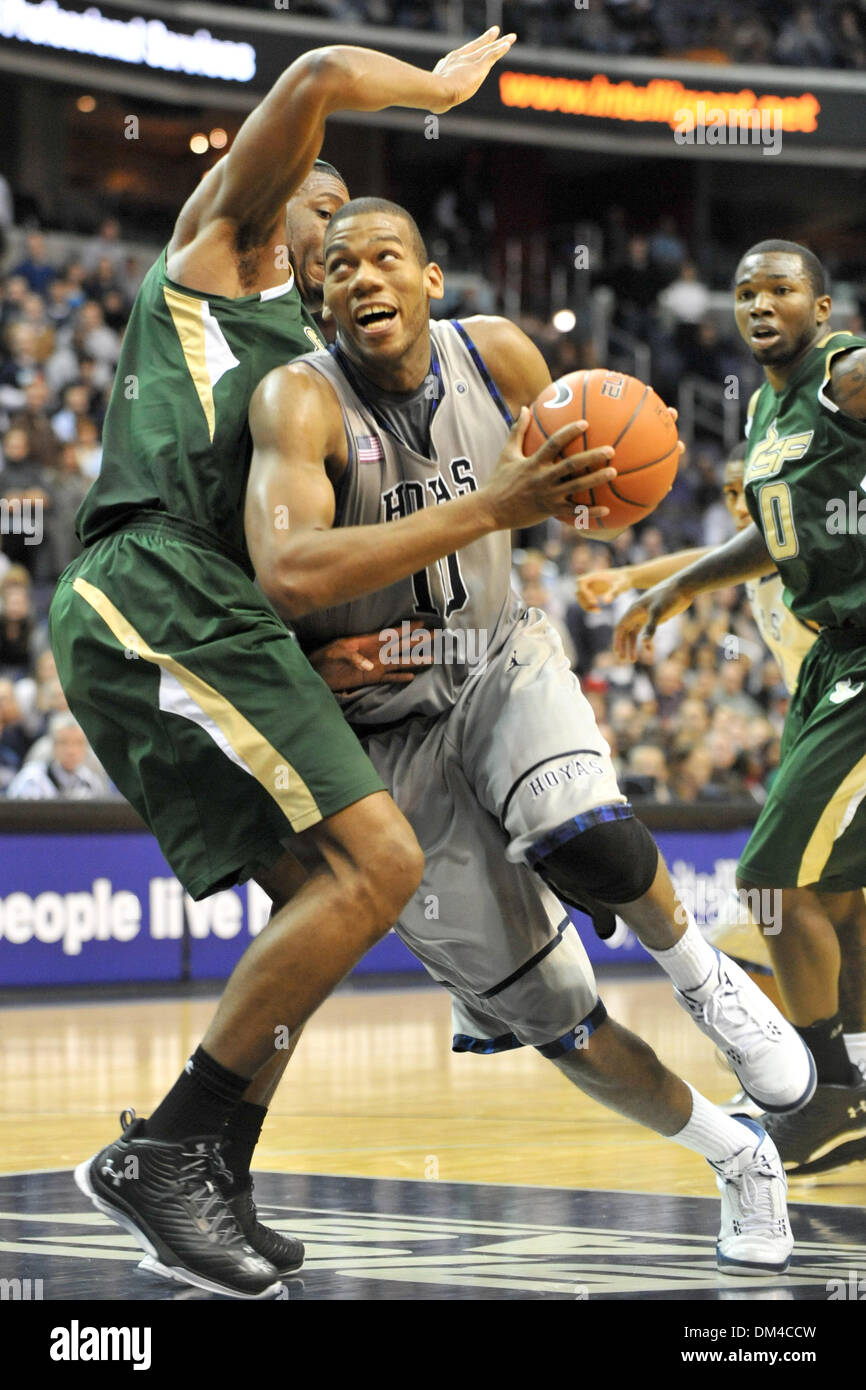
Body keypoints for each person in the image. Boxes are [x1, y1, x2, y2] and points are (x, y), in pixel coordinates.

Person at [243, 197, 820, 1276]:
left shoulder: (496, 351)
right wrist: (490, 508)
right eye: (339, 269)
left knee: (584, 831)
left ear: (432, 282)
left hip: (493, 657)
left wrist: (608, 482)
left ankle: (709, 984)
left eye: (385, 260)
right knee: (562, 1022)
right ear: (316, 295)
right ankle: (736, 1154)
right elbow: (288, 573)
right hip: (374, 742)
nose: (363, 279)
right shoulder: (296, 402)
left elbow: (600, 466)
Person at [49, 30, 518, 1300]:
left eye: (357, 219)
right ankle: (166, 1151)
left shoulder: (313, 380)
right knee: (384, 865)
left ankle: (214, 1166)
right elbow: (311, 80)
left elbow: (291, 560)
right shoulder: (218, 258)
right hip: (151, 584)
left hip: (208, 609)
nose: (328, 209)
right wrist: (431, 91)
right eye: (318, 197)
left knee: (324, 898)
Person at [615, 240, 866, 1175]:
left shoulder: (847, 377)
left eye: (783, 289)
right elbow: (775, 536)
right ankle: (856, 1085)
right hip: (829, 659)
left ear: (824, 306)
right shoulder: (766, 407)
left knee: (767, 881)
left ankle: (827, 1092)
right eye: (747, 292)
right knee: (841, 894)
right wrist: (673, 588)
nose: (762, 304)